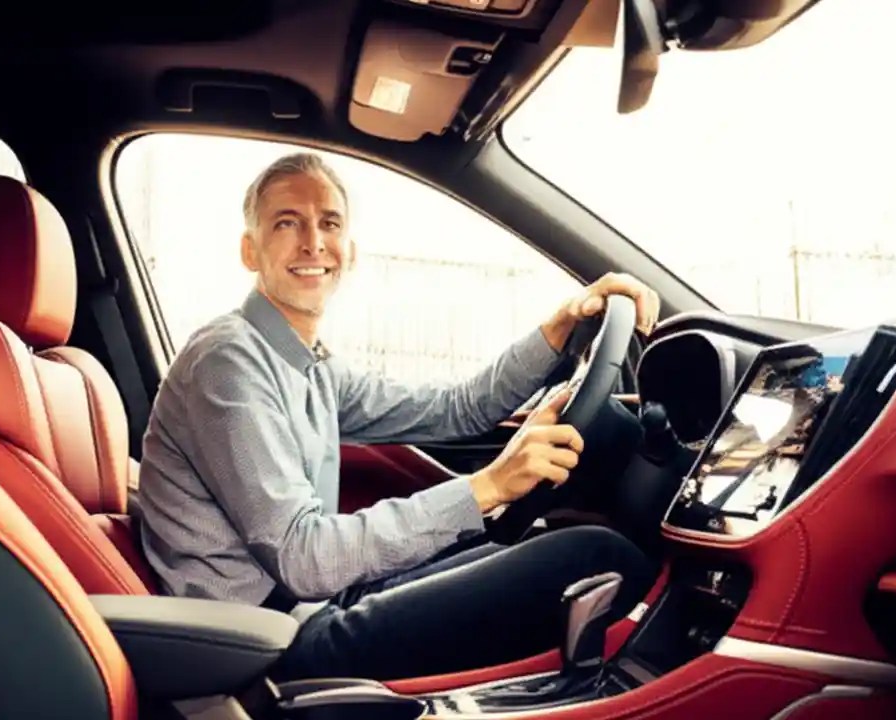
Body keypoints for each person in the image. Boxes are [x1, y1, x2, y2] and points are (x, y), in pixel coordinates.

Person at [137, 152, 661, 682]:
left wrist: (558, 328)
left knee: (542, 538)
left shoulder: (307, 365)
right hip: (269, 643)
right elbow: (303, 558)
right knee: (594, 555)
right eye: (286, 222)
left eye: (329, 223)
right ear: (251, 250)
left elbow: (457, 409)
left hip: (318, 601)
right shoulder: (227, 363)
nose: (313, 242)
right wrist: (488, 486)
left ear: (350, 252)